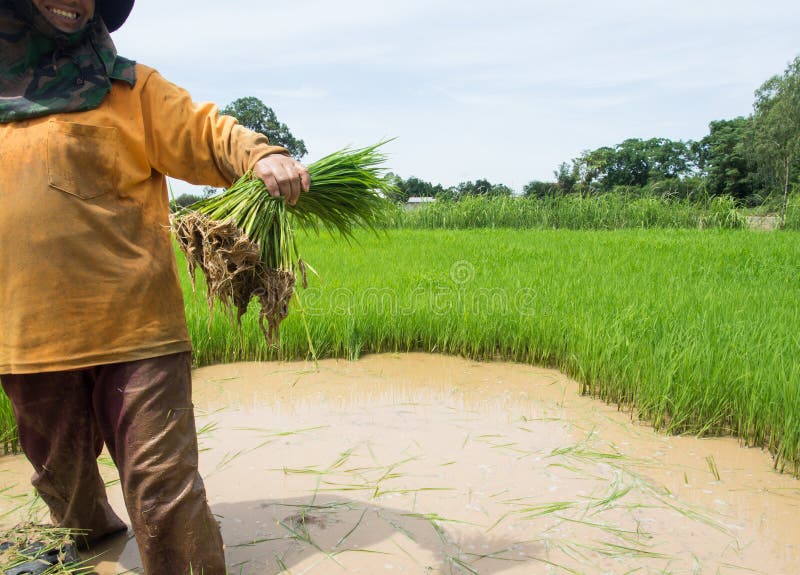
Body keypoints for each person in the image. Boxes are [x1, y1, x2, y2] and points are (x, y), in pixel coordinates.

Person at [0, 0, 310, 572]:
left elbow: (206, 133)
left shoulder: (129, 89)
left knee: (163, 494)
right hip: (24, 337)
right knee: (61, 484)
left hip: (134, 329)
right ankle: (92, 537)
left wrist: (262, 155)